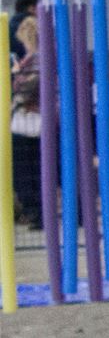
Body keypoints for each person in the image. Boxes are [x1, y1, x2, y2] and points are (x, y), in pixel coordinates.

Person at [9, 13, 41, 229]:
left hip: (28, 121)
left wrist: (16, 74)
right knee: (37, 169)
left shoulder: (32, 60)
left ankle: (34, 212)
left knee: (24, 171)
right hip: (40, 120)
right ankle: (37, 211)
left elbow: (24, 89)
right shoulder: (44, 57)